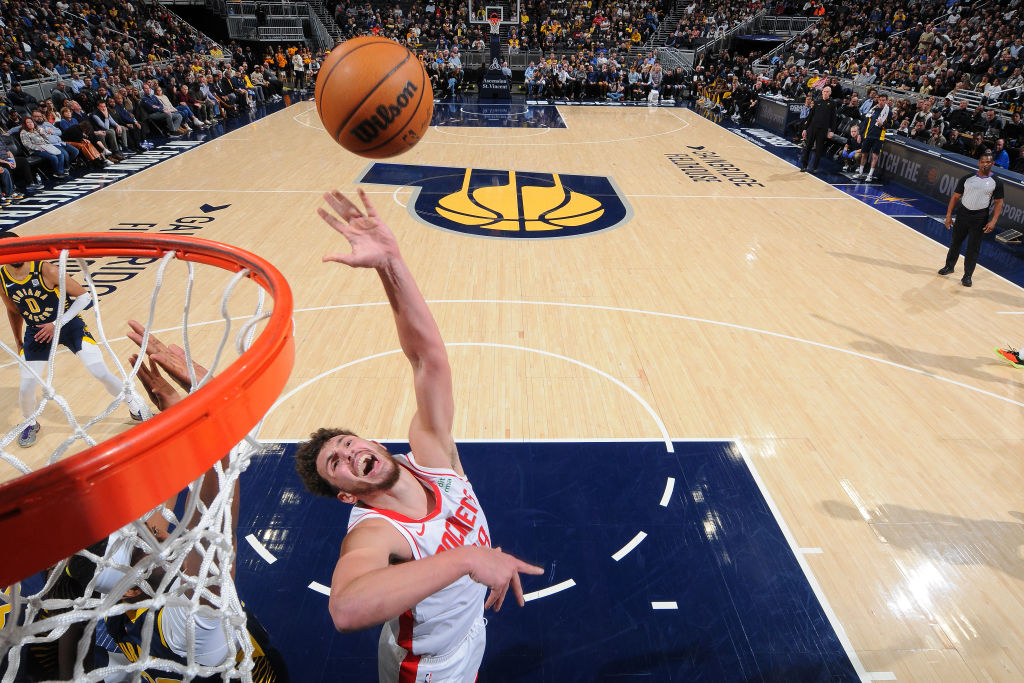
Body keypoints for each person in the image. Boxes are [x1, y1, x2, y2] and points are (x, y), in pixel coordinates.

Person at [293, 189, 543, 682]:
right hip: (428, 668)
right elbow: (344, 609)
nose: (349, 452)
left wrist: (391, 263)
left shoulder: (429, 453)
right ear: (346, 493)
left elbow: (428, 359)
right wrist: (469, 558)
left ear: (371, 443)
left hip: (471, 632)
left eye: (348, 442)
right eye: (336, 463)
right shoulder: (375, 530)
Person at [0, 260, 148, 447]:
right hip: (37, 331)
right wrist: (18, 340)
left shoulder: (47, 270)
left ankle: (133, 402)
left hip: (68, 325)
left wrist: (56, 324)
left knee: (98, 370)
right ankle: (30, 422)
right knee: (26, 385)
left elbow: (84, 297)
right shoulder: (2, 279)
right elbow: (13, 311)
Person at [937, 150, 1005, 287]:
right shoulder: (967, 178)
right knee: (955, 242)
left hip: (980, 217)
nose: (985, 164)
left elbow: (999, 203)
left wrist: (993, 221)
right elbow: (955, 197)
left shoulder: (996, 182)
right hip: (962, 214)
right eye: (983, 162)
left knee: (973, 248)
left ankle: (967, 276)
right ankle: (949, 266)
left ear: (992, 164)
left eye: (988, 162)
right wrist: (949, 215)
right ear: (979, 163)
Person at [799, 85, 838, 173]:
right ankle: (804, 166)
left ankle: (815, 167)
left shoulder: (832, 104)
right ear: (822, 92)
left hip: (823, 129)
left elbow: (834, 118)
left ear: (830, 93)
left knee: (818, 149)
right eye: (824, 91)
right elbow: (810, 117)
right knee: (808, 146)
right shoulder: (817, 102)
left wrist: (832, 131)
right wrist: (805, 129)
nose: (825, 93)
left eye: (827, 92)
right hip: (813, 128)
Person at [855, 93, 890, 181]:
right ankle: (860, 173)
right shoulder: (873, 109)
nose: (882, 102)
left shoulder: (888, 112)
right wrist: (860, 134)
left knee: (875, 157)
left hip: (879, 137)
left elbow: (891, 125)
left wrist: (883, 124)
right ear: (878, 100)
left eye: (883, 100)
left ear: (886, 101)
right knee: (864, 155)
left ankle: (870, 175)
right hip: (868, 135)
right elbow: (866, 123)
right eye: (880, 100)